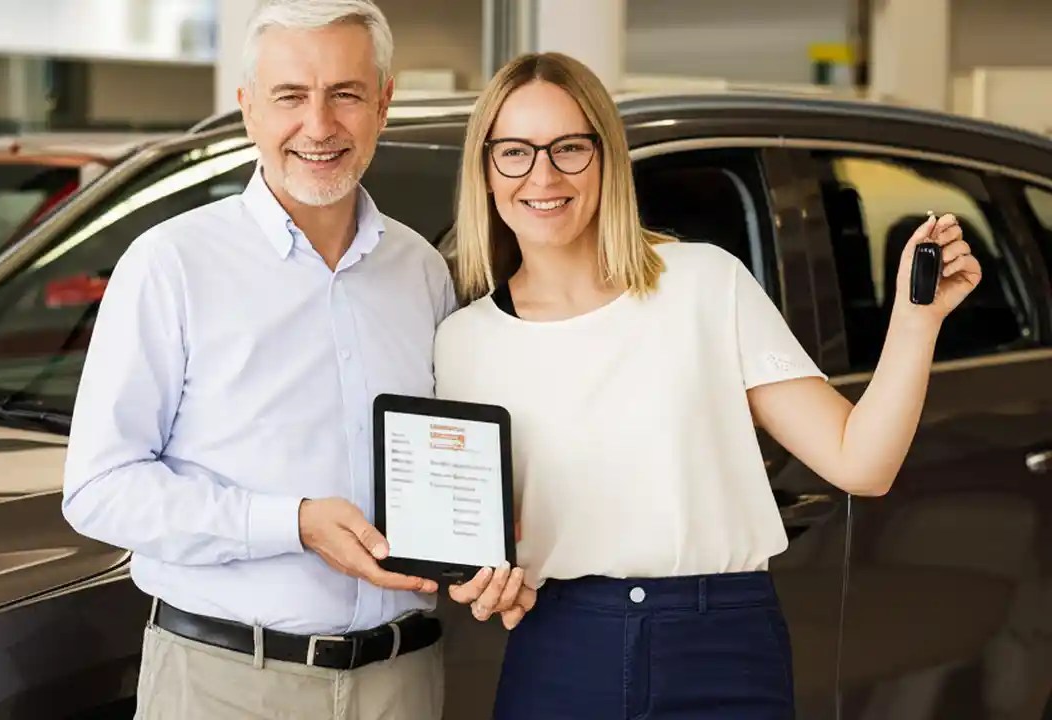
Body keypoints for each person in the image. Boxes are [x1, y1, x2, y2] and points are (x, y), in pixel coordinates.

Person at [435, 52, 981, 719]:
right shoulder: (463, 344)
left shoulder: (704, 283)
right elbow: (480, 539)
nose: (543, 175)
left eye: (569, 148)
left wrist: (916, 320)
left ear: (606, 159)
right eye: (515, 152)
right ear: (486, 170)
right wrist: (486, 582)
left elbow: (861, 462)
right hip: (562, 648)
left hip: (723, 644)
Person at [60, 1, 457, 718]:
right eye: (290, 96)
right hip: (227, 683)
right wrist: (292, 523)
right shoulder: (172, 263)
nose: (319, 125)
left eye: (345, 94)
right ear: (247, 109)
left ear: (384, 104)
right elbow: (99, 489)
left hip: (402, 680)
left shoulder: (421, 270)